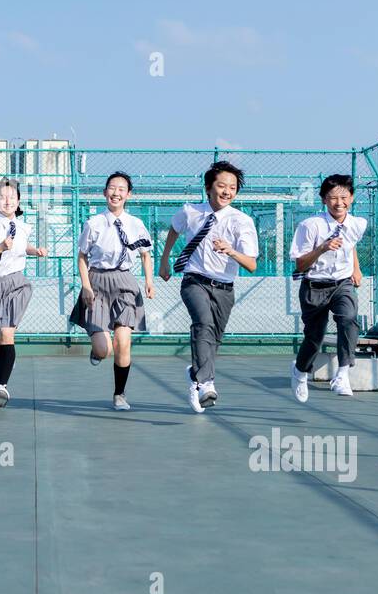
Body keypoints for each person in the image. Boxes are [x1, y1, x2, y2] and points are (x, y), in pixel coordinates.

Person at [158, 161, 258, 414]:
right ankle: (206, 383)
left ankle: (195, 375)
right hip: (194, 280)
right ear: (208, 187)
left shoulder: (241, 221)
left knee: (213, 339)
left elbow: (252, 264)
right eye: (221, 185)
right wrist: (165, 258)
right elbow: (174, 229)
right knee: (203, 324)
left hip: (224, 287)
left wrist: (231, 251)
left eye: (232, 188)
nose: (226, 191)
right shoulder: (190, 211)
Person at [69, 172, 154, 411]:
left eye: (121, 189)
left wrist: (149, 281)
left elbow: (146, 254)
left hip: (125, 283)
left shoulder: (136, 224)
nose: (116, 193)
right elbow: (82, 257)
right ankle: (96, 353)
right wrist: (85, 285)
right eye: (112, 188)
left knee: (123, 343)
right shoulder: (94, 224)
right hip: (97, 282)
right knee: (104, 349)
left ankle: (119, 394)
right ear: (105, 192)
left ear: (128, 194)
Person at [289, 174, 367, 401]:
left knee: (348, 318)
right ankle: (300, 371)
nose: (339, 202)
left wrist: (356, 268)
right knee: (314, 337)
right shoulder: (310, 226)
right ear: (323, 199)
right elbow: (300, 263)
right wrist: (322, 248)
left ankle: (343, 373)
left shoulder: (357, 224)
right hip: (314, 284)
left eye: (344, 197)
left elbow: (349, 244)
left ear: (351, 198)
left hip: (342, 282)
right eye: (333, 198)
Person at [0, 177, 47, 407]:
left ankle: (1, 386)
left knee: (7, 333)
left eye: (12, 197)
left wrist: (34, 251)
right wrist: (0, 248)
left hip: (16, 284)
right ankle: (4, 352)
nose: (7, 201)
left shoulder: (24, 227)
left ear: (18, 201)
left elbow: (21, 247)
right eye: (2, 197)